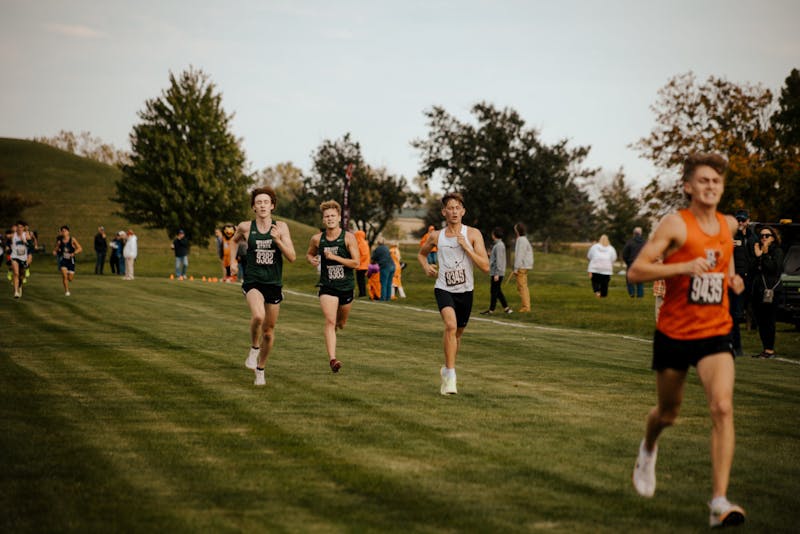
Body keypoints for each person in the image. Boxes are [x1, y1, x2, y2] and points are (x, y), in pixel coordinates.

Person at [627, 153, 746, 528]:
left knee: (722, 408)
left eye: (717, 181)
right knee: (668, 414)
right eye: (704, 180)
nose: (711, 186)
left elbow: (723, 260)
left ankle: (718, 502)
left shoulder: (728, 224)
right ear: (688, 186)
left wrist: (732, 278)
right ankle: (648, 448)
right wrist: (682, 266)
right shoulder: (675, 225)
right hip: (675, 333)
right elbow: (636, 271)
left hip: (715, 331)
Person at [418, 192, 490, 395]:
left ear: (463, 211)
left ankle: (446, 367)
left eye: (458, 207)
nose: (454, 211)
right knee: (450, 326)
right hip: (444, 288)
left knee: (457, 334)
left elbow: (485, 267)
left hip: (466, 291)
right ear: (444, 212)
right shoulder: (436, 236)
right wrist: (426, 267)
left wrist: (467, 247)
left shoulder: (473, 234)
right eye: (450, 207)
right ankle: (450, 376)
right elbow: (422, 254)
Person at [232, 186, 296, 386]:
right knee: (258, 316)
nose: (262, 205)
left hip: (273, 283)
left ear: (272, 206)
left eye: (266, 202)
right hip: (253, 280)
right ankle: (253, 348)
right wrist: (233, 261)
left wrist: (277, 240)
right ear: (253, 207)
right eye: (258, 202)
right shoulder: (245, 227)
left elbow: (292, 257)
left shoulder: (281, 227)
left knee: (268, 332)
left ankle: (261, 369)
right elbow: (233, 241)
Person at [306, 200, 360, 373]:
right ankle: (333, 359)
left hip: (346, 286)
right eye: (326, 216)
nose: (329, 219)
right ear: (323, 220)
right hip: (327, 286)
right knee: (329, 320)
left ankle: (336, 329)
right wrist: (312, 260)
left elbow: (356, 263)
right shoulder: (317, 239)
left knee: (340, 323)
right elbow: (309, 253)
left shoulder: (348, 238)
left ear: (338, 219)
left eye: (332, 216)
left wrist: (335, 258)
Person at [750, 225, 784, 359]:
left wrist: (764, 254)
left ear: (773, 238)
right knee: (760, 321)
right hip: (758, 290)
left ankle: (770, 349)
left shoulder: (778, 251)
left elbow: (773, 268)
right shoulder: (759, 250)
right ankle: (765, 349)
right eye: (762, 235)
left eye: (767, 235)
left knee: (769, 320)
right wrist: (757, 255)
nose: (763, 238)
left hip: (771, 291)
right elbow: (752, 269)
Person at [730, 210, 756, 355]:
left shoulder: (753, 237)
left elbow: (755, 256)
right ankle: (735, 346)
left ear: (747, 221)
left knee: (746, 312)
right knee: (735, 313)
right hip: (735, 278)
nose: (740, 222)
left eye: (743, 220)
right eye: (738, 220)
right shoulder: (731, 236)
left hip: (749, 279)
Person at [480, 227, 512, 315]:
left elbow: (499, 260)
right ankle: (506, 308)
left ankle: (491, 310)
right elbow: (496, 258)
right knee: (497, 291)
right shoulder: (498, 245)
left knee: (494, 291)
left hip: (497, 272)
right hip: (496, 272)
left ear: (494, 235)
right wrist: (490, 255)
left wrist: (497, 274)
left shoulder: (499, 245)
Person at [53, 225, 83, 296]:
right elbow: (55, 249)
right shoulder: (60, 241)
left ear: (68, 232)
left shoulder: (72, 240)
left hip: (71, 261)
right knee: (64, 275)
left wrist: (74, 253)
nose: (64, 233)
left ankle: (68, 281)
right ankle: (67, 291)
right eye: (62, 231)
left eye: (65, 231)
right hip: (63, 260)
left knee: (70, 278)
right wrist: (55, 251)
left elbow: (80, 248)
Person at [512, 222, 533, 312]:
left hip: (522, 266)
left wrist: (516, 268)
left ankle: (526, 307)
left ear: (517, 230)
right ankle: (526, 306)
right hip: (524, 266)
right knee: (522, 286)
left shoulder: (521, 240)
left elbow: (520, 255)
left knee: (522, 286)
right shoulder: (523, 239)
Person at [623, 227, 646, 298]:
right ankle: (640, 295)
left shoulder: (630, 242)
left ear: (633, 233)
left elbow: (625, 254)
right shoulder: (645, 242)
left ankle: (631, 293)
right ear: (641, 233)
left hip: (631, 262)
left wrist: (627, 262)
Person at [10, 223, 31, 298]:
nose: (19, 229)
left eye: (21, 227)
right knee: (16, 273)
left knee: (21, 275)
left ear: (23, 228)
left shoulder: (26, 235)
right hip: (14, 257)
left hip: (23, 258)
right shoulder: (13, 235)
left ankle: (20, 285)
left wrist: (24, 241)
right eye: (18, 227)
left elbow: (30, 246)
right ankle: (16, 292)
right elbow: (9, 243)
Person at [371, 236, 395, 301]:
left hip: (385, 267)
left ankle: (382, 298)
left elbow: (373, 259)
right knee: (389, 283)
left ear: (378, 242)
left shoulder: (378, 249)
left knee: (383, 283)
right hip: (392, 265)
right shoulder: (386, 248)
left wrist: (371, 266)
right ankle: (388, 298)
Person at [354, 230, 370, 297]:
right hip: (363, 265)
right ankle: (362, 293)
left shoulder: (361, 243)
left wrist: (358, 262)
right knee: (361, 280)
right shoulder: (363, 243)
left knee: (361, 280)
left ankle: (362, 294)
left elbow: (364, 255)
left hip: (362, 265)